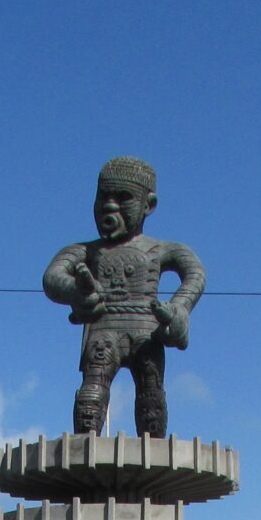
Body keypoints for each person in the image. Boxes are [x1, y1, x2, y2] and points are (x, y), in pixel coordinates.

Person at [43, 156, 206, 437]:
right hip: (103, 331)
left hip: (147, 334)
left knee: (151, 393)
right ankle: (86, 449)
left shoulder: (162, 249)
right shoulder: (85, 250)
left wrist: (180, 308)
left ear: (148, 205)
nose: (110, 206)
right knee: (92, 390)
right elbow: (52, 277)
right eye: (103, 197)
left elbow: (195, 272)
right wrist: (75, 292)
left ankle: (153, 452)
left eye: (123, 198)